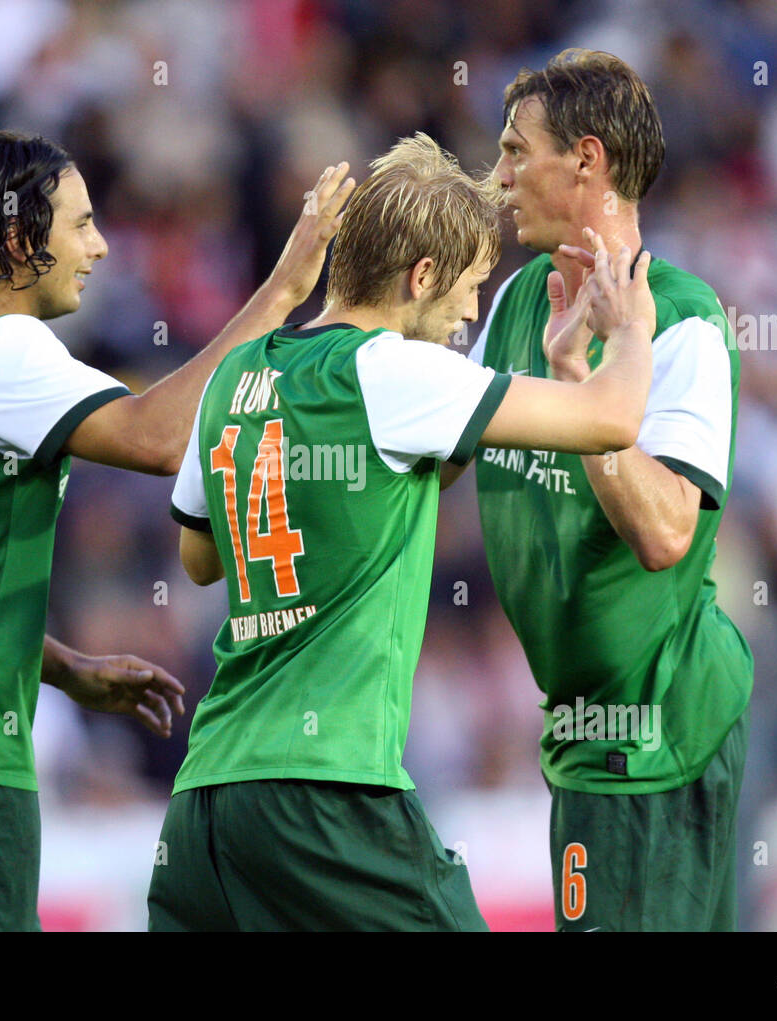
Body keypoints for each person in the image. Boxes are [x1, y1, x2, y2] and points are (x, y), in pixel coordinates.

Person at [0, 128, 355, 931]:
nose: (99, 246)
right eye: (80, 224)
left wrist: (63, 668)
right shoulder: (1, 349)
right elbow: (158, 438)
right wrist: (279, 294)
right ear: (21, 238)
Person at [148, 133, 656, 931]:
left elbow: (200, 556)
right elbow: (612, 419)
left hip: (206, 802)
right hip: (330, 797)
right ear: (421, 275)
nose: (466, 315)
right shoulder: (396, 372)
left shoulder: (235, 377)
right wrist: (623, 333)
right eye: (465, 290)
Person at [461, 49, 753, 931]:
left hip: (655, 733)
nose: (499, 177)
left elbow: (666, 532)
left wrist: (580, 379)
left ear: (587, 160)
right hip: (586, 733)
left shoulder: (684, 320)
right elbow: (433, 449)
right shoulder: (516, 302)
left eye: (517, 153)